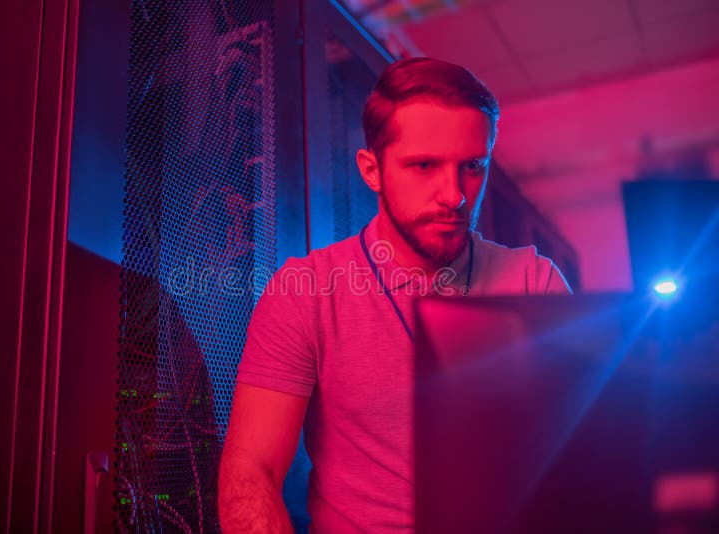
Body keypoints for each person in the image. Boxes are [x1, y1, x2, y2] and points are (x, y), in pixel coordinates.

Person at [218, 57, 571, 533]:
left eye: (472, 167)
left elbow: (583, 458)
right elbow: (250, 473)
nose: (454, 195)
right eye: (424, 165)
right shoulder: (306, 291)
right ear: (372, 169)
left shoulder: (533, 281)